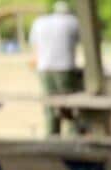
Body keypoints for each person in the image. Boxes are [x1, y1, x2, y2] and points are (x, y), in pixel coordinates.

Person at [28, 1, 81, 136]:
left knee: (50, 105)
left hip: (44, 69)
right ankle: (73, 135)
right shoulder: (72, 21)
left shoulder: (40, 22)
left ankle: (52, 135)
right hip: (65, 68)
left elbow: (35, 48)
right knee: (69, 103)